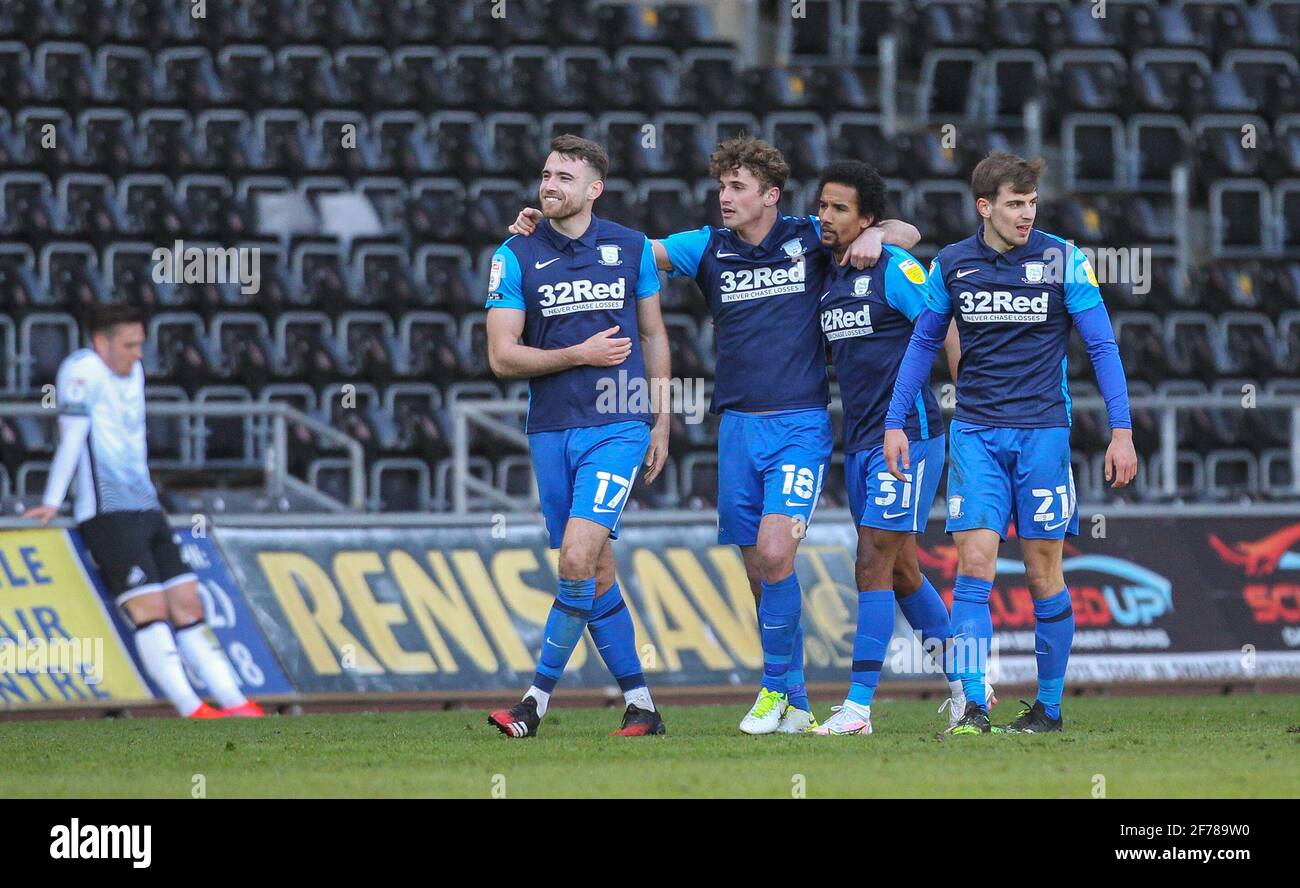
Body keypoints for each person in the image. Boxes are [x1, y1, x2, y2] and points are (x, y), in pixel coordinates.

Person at [884, 152, 1137, 734]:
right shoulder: (952, 265)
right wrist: (895, 421)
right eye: (1015, 204)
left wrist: (1121, 432)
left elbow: (1102, 347)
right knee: (974, 567)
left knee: (1044, 573)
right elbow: (923, 346)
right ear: (985, 207)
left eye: (1031, 204)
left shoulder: (1064, 259)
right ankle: (974, 703)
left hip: (1044, 435)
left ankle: (1048, 708)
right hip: (974, 433)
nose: (1026, 214)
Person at [484, 135, 671, 738]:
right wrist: (577, 354)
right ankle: (642, 705)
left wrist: (660, 417)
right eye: (546, 174)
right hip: (551, 428)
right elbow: (502, 358)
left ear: (595, 189)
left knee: (574, 558)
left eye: (565, 176)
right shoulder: (514, 253)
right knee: (595, 573)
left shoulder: (632, 247)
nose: (550, 185)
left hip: (619, 422)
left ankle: (533, 703)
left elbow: (653, 336)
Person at [26, 304, 263, 719]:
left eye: (140, 344)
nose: (138, 354)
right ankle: (192, 710)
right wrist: (51, 499)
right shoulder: (80, 372)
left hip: (147, 506)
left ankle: (237, 704)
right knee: (148, 610)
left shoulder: (132, 371)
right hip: (107, 513)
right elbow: (72, 439)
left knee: (188, 604)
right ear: (101, 343)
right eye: (129, 345)